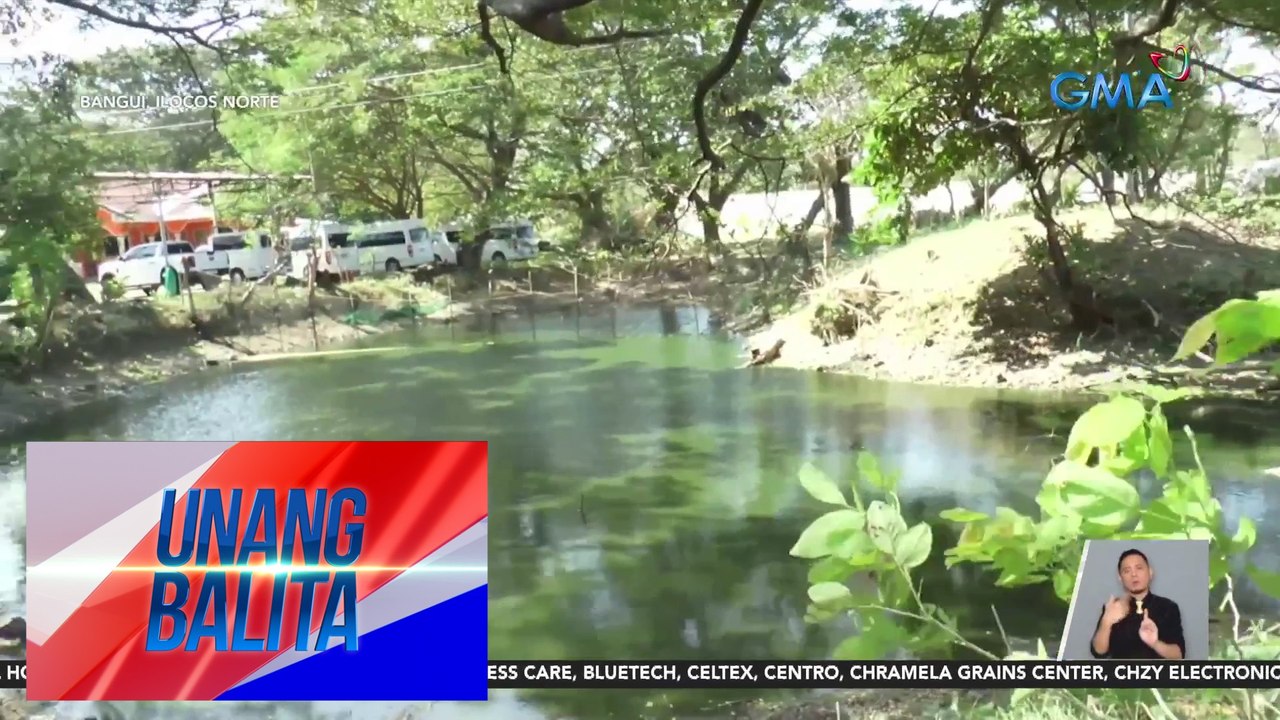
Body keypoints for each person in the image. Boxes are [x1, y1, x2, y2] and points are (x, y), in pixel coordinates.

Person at [1090, 548, 1185, 659]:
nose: (1134, 574)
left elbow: (1179, 656)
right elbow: (1098, 652)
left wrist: (1154, 643)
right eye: (1127, 571)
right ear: (1120, 578)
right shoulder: (1113, 607)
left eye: (1139, 568)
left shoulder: (1168, 607)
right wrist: (1106, 622)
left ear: (1150, 572)